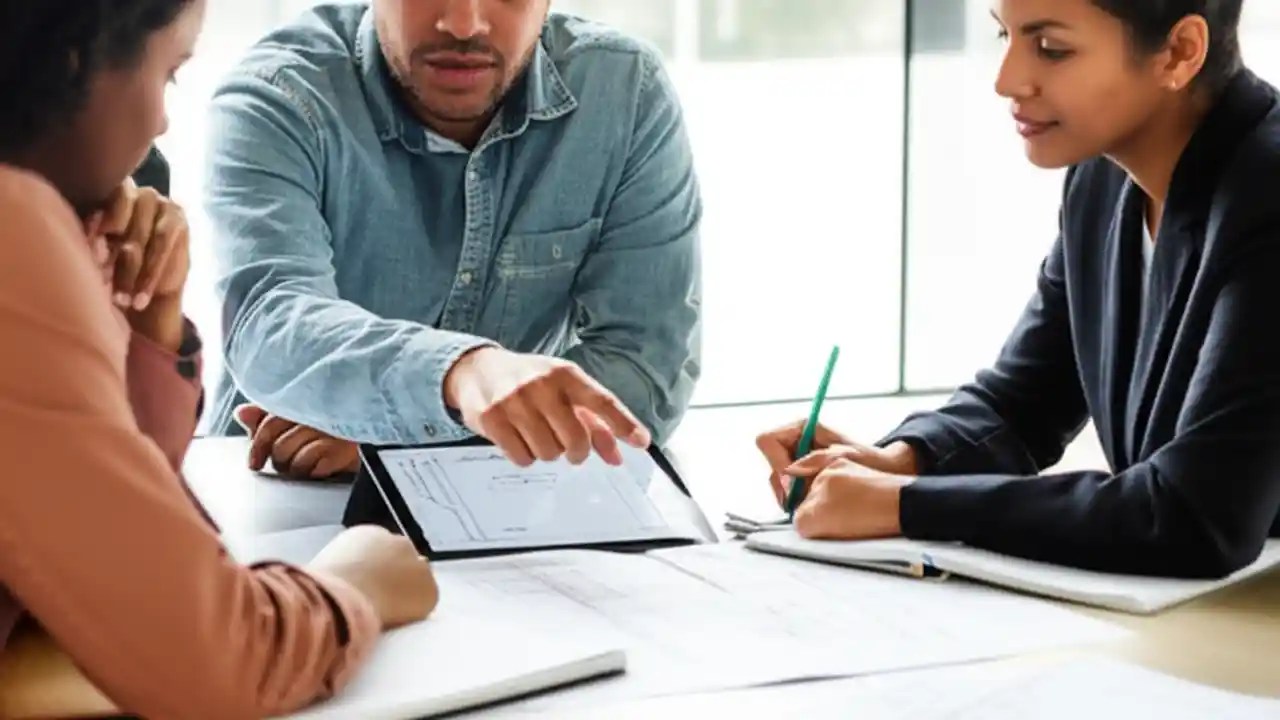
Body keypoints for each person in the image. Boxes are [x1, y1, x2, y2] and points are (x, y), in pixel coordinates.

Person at [0, 1, 437, 717]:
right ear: (75, 58)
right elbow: (219, 657)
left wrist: (150, 327)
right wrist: (356, 580)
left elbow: (112, 529)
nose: (163, 127)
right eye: (170, 74)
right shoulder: (14, 227)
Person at [757, 0, 1280, 579]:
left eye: (1051, 48)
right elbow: (1024, 403)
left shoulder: (1267, 194)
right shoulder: (1103, 178)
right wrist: (899, 462)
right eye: (1003, 35)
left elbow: (1195, 516)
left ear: (1180, 51)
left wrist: (904, 504)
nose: (1006, 79)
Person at [204, 0, 703, 478]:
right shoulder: (279, 95)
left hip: (511, 511)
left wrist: (399, 432)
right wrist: (459, 376)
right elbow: (268, 322)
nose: (464, 24)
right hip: (282, 497)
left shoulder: (624, 93)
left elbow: (644, 374)